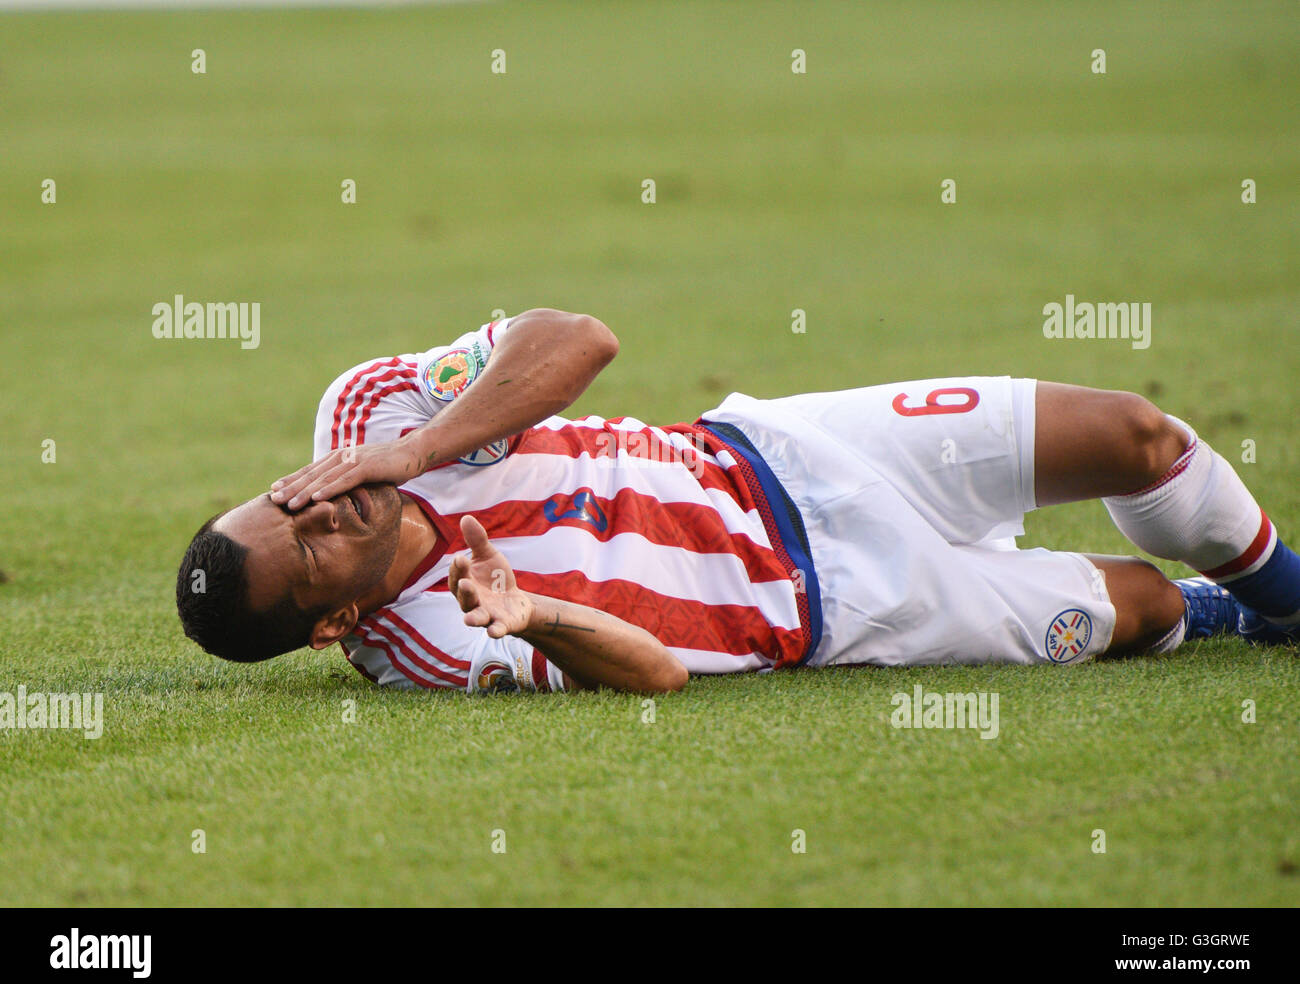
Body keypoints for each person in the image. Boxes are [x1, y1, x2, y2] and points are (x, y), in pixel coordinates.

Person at [175, 309, 1300, 694]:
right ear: (332, 625)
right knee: (1147, 604)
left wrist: (418, 452)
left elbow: (577, 340)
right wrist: (533, 612)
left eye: (287, 504)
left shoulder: (368, 411)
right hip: (850, 601)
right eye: (310, 553)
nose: (319, 512)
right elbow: (656, 671)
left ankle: (1285, 598)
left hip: (783, 451)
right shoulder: (426, 646)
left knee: (1135, 434)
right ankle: (1226, 609)